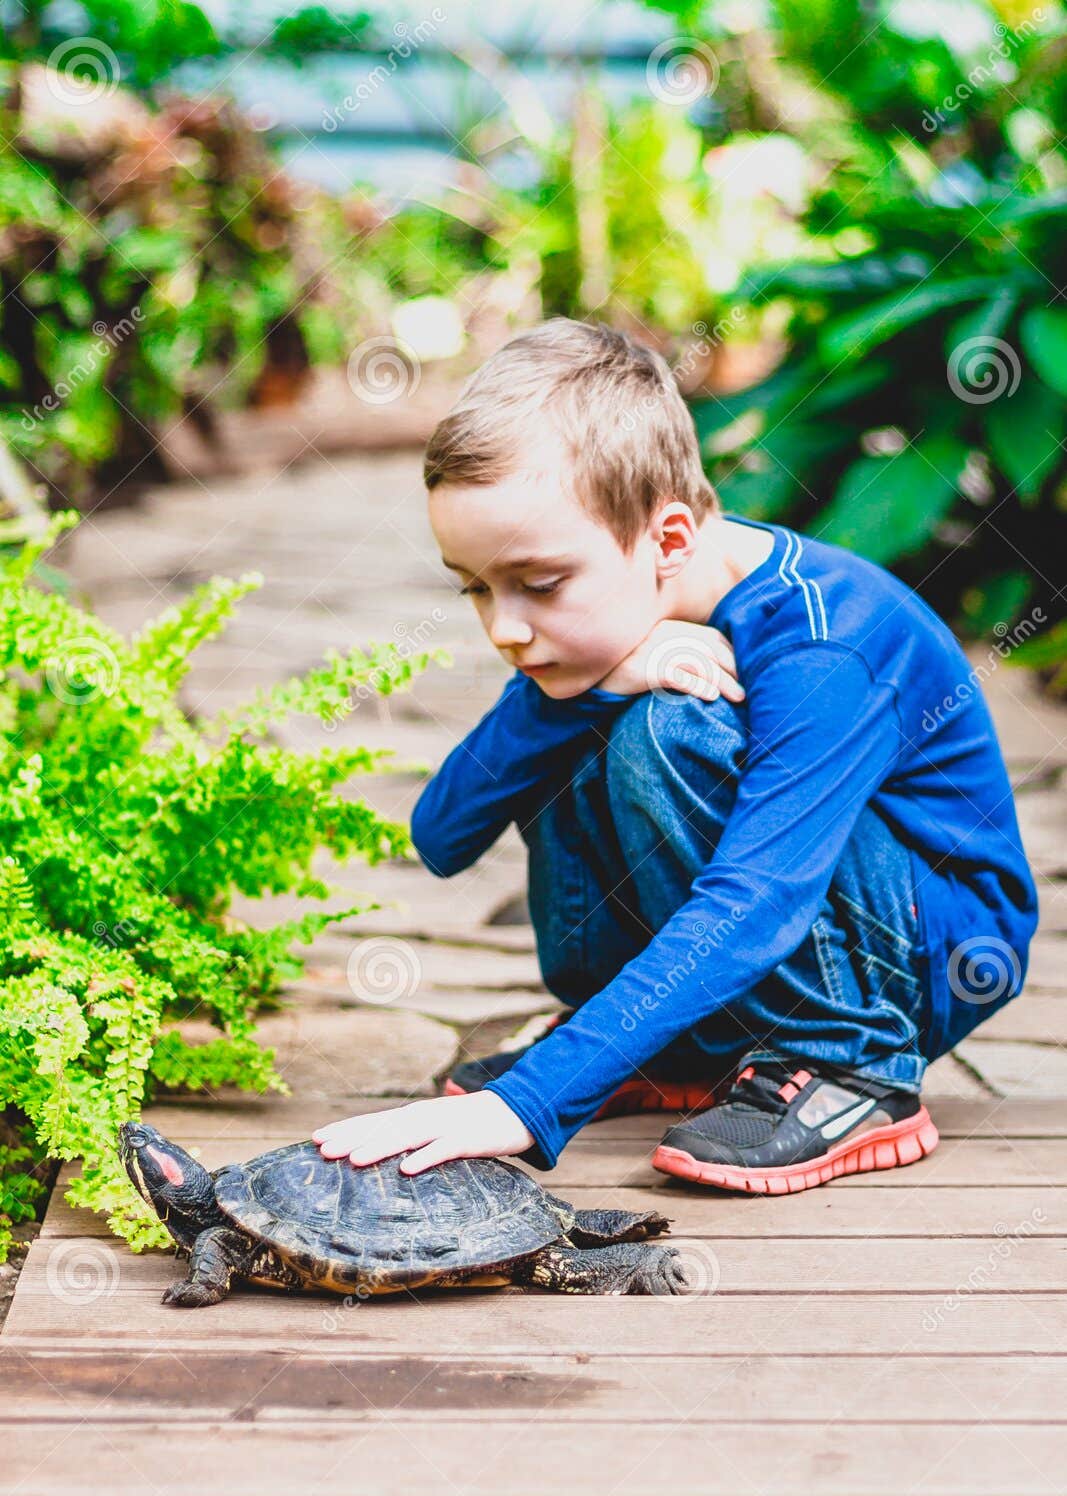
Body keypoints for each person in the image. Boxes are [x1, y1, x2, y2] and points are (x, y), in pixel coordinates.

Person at [314, 318, 1038, 1194]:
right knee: (583, 709)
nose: (504, 627)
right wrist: (597, 688)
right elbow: (441, 835)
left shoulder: (824, 645)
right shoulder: (605, 637)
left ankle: (849, 1065)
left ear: (666, 542)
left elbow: (757, 899)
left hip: (928, 950)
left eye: (539, 584)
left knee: (668, 730)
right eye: (474, 587)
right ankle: (683, 1049)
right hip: (795, 917)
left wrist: (528, 1103)